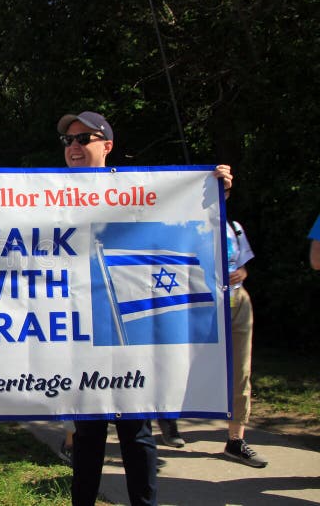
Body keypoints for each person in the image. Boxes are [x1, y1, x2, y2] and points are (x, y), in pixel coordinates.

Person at [57, 111, 233, 506]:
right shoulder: (47, 189)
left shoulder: (136, 190)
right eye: (68, 141)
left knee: (135, 431)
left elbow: (178, 218)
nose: (74, 147)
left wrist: (213, 192)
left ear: (107, 145)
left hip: (128, 330)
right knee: (87, 433)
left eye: (84, 139)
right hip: (81, 329)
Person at [222, 192, 267, 467]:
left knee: (240, 371)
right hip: (202, 305)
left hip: (238, 301)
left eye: (225, 192)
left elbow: (243, 265)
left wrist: (242, 274)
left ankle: (235, 439)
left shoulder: (234, 226)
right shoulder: (185, 226)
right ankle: (170, 423)